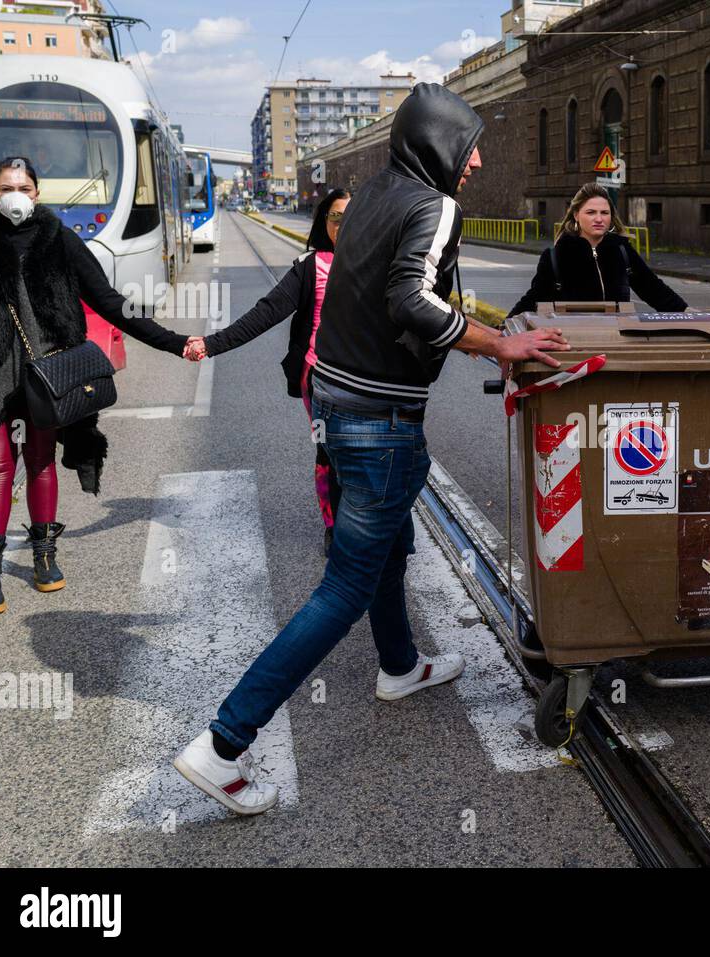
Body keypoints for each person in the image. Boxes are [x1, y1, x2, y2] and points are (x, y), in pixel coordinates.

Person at [173, 83, 570, 815]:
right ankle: (223, 744)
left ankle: (399, 665)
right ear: (439, 144)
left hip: (342, 406)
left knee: (388, 548)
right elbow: (409, 300)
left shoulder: (375, 193)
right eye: (469, 143)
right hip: (379, 420)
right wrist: (498, 343)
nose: (478, 159)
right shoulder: (435, 203)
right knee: (344, 588)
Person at [0, 157, 191, 616]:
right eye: (6, 187)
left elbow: (109, 301)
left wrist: (171, 341)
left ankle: (44, 555)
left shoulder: (59, 239)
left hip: (48, 373)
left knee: (40, 461)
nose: (16, 195)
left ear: (37, 193)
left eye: (25, 188)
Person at [183, 188, 351, 554]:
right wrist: (212, 344)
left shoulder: (379, 263)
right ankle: (334, 527)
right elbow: (267, 312)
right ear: (325, 221)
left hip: (368, 377)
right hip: (319, 378)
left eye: (350, 216)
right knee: (330, 452)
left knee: (363, 453)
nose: (343, 223)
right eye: (335, 216)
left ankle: (363, 525)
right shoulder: (311, 266)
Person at [508, 182, 686, 316]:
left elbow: (654, 289)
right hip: (574, 345)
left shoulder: (621, 250)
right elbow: (533, 298)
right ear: (576, 215)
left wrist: (687, 312)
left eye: (604, 213)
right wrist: (501, 330)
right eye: (591, 212)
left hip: (618, 340)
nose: (599, 219)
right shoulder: (556, 256)